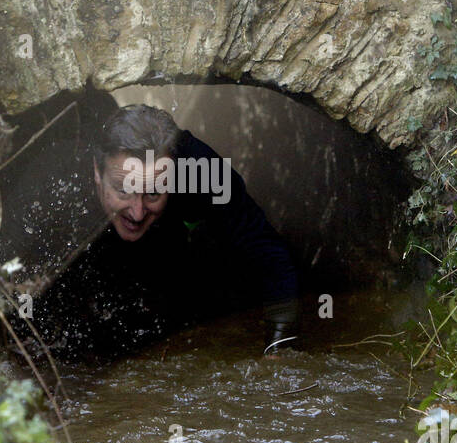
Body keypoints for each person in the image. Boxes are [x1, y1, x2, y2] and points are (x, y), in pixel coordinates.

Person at [20, 104, 299, 362]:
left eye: (153, 192)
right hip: (84, 244)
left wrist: (279, 347)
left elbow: (266, 250)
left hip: (170, 246)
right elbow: (6, 269)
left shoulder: (201, 170)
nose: (137, 211)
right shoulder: (60, 175)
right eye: (124, 190)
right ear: (97, 171)